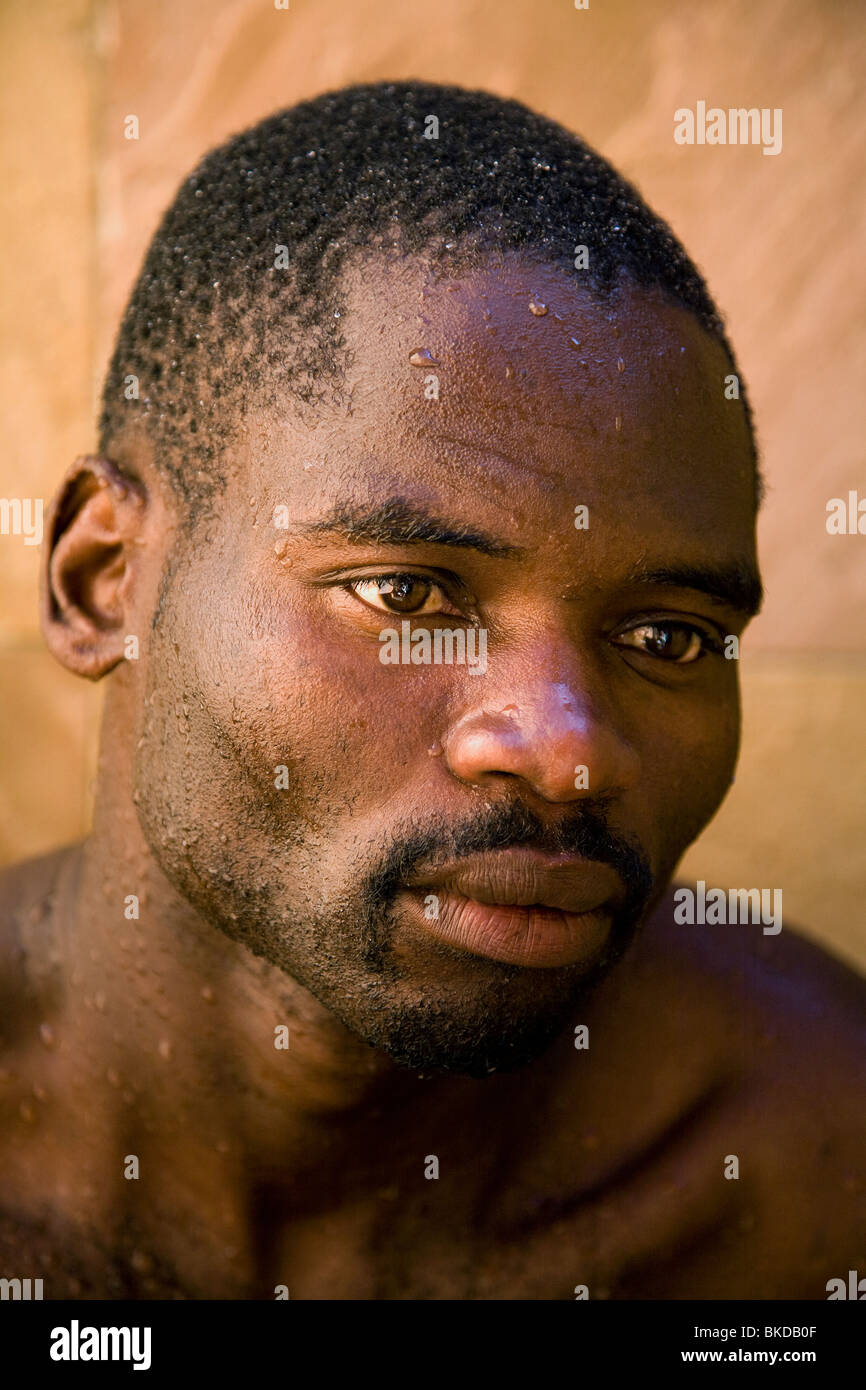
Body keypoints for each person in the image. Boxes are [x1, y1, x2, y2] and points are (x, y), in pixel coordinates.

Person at [1, 81, 862, 1300]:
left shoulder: (807, 1171)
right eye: (408, 597)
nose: (568, 753)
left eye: (666, 634)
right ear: (103, 584)